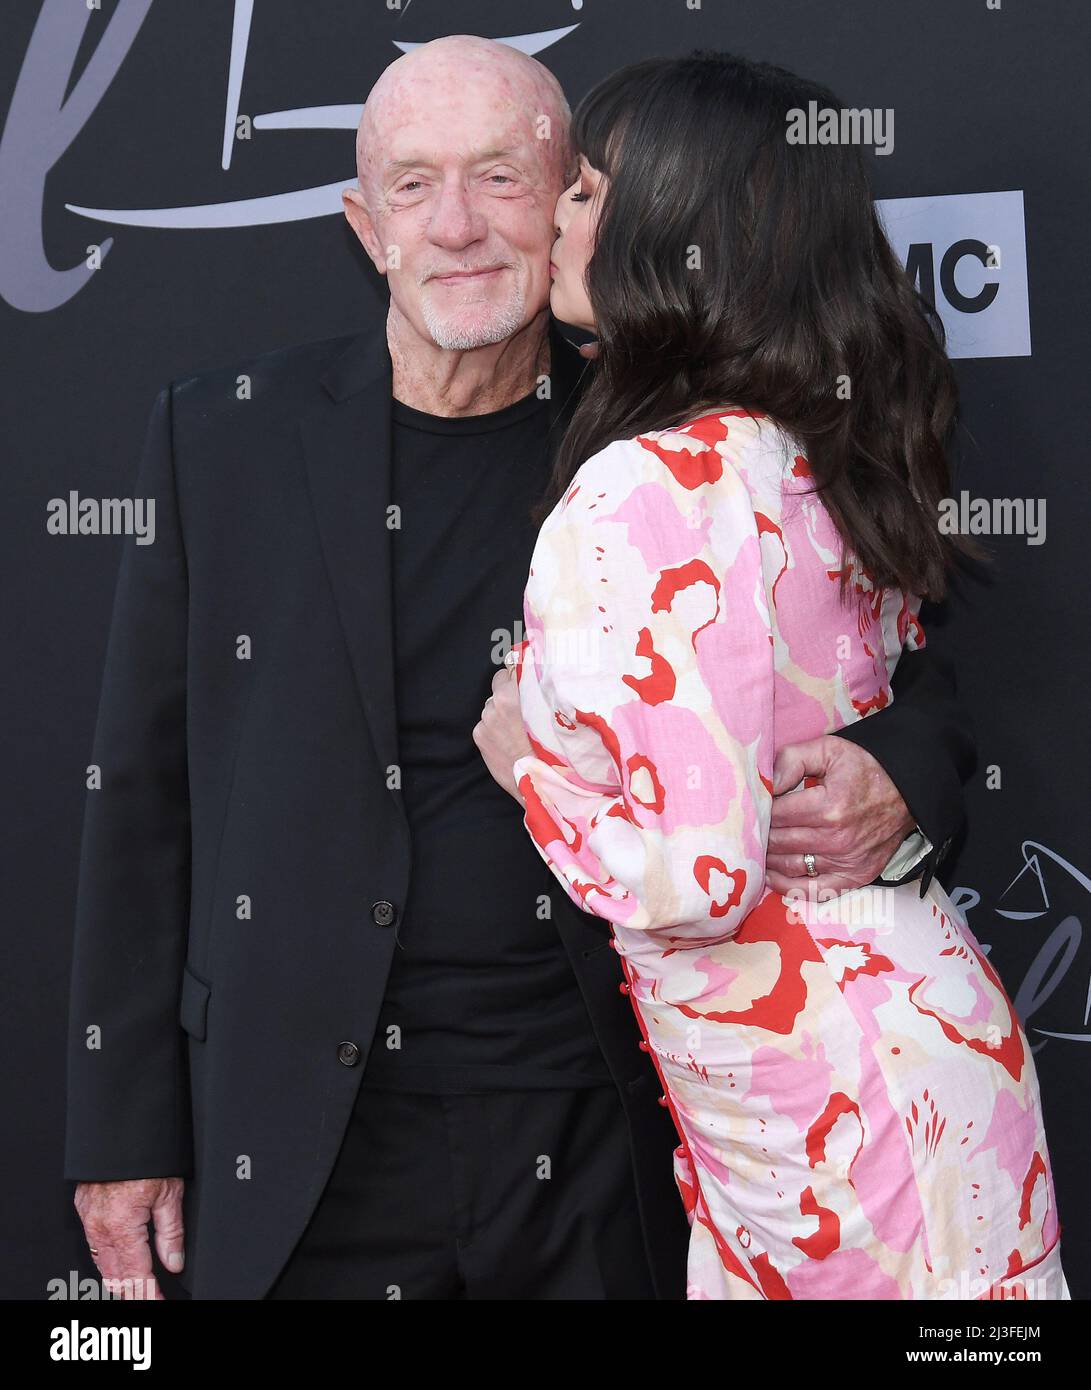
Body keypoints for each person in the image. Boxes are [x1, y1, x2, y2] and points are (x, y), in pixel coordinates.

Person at [67, 37, 972, 1301]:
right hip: (307, 1126)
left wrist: (900, 776)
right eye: (413, 186)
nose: (456, 227)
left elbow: (886, 652)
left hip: (605, 1117)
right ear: (360, 222)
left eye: (500, 178)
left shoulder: (663, 448)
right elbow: (141, 798)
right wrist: (119, 1132)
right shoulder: (221, 434)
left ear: (570, 206)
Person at [474, 51, 1069, 1300]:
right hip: (878, 1078)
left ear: (682, 228)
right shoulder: (813, 450)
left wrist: (526, 767)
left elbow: (693, 873)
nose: (552, 218)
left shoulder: (645, 489)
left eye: (586, 190)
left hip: (833, 1121)